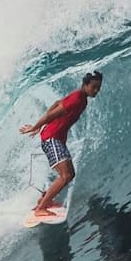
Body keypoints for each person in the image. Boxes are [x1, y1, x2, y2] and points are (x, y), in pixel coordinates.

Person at [19, 71, 103, 217]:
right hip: (52, 138)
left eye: (98, 88)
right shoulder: (77, 98)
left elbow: (57, 103)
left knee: (70, 175)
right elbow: (51, 114)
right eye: (94, 87)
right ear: (85, 85)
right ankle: (41, 208)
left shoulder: (82, 98)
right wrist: (36, 126)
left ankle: (44, 200)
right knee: (65, 175)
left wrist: (41, 126)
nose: (96, 91)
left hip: (57, 138)